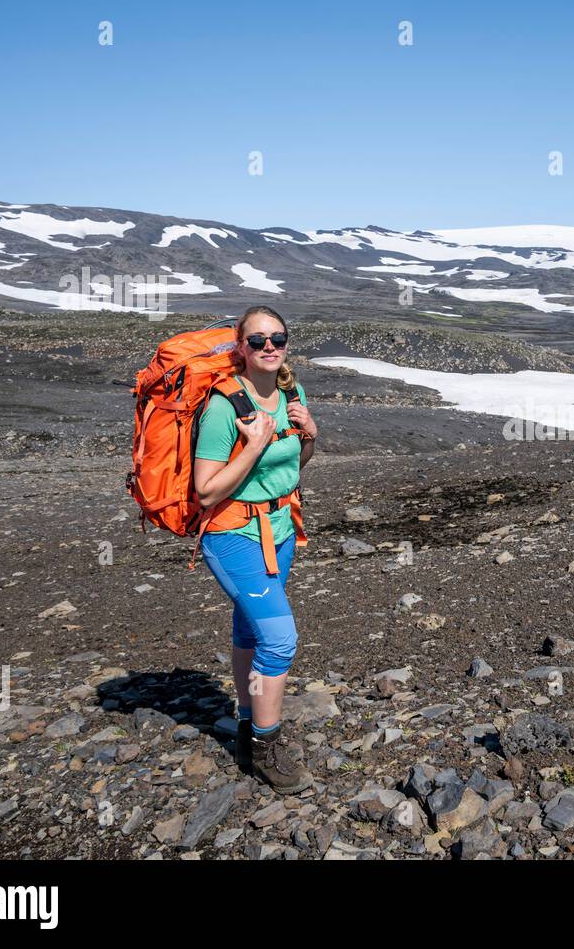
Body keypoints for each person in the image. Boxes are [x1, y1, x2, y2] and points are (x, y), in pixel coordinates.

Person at [192, 305, 318, 793]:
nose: (269, 347)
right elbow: (206, 491)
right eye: (258, 340)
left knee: (250, 628)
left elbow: (296, 463)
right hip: (232, 535)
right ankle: (267, 745)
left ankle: (245, 729)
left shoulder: (291, 391)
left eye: (278, 339)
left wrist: (310, 435)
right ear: (239, 347)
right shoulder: (226, 406)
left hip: (281, 531)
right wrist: (252, 444)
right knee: (280, 639)